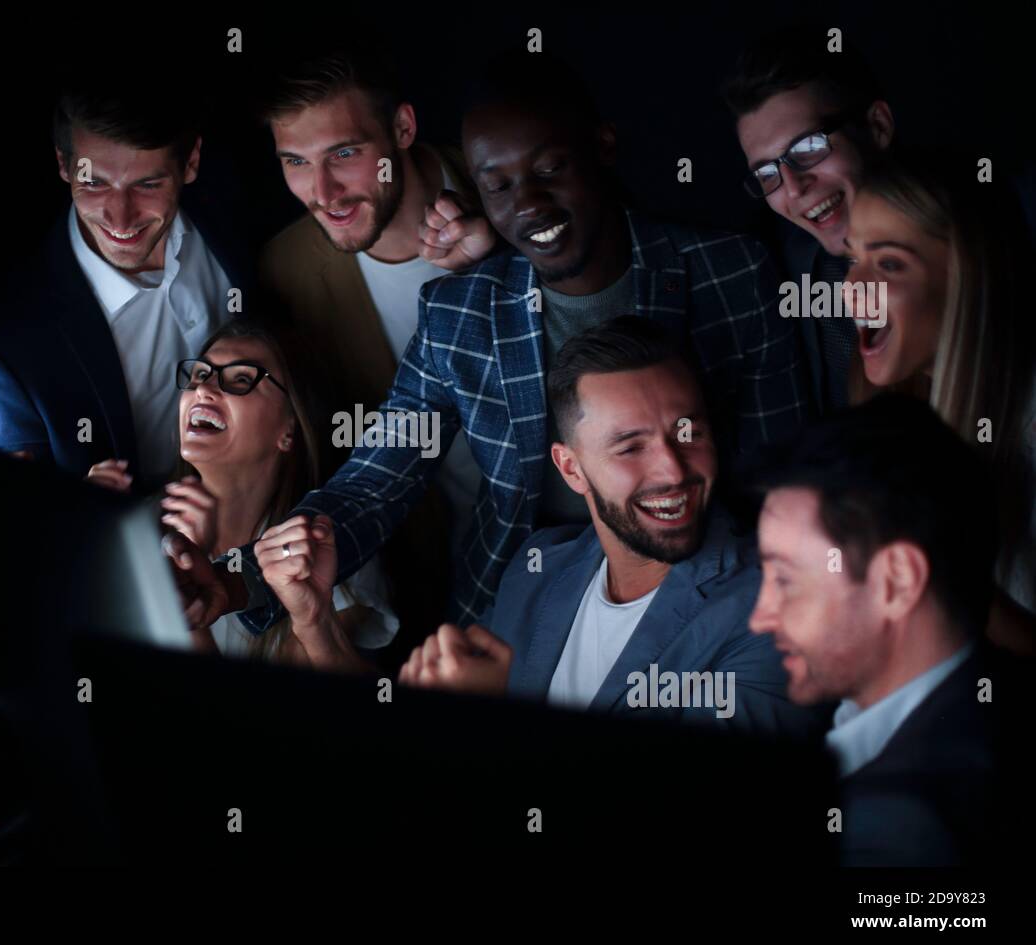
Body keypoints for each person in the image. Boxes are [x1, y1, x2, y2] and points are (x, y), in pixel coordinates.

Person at [193, 50, 807, 638]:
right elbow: (377, 479)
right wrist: (237, 582)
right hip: (516, 603)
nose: (530, 204)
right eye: (501, 186)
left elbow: (778, 475)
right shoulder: (460, 312)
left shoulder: (728, 272)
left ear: (602, 147)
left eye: (549, 170)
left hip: (705, 597)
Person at [390, 319, 822, 739]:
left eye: (688, 433)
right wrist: (321, 628)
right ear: (571, 469)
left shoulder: (776, 611)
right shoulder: (537, 568)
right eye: (631, 447)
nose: (672, 469)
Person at [257, 45, 495, 650]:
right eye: (295, 161)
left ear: (403, 128)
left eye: (344, 153)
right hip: (420, 582)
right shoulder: (286, 269)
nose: (324, 191)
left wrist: (504, 260)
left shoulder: (505, 187)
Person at [748, 394, 1032, 865]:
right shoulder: (1011, 690)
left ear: (897, 581)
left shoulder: (900, 831)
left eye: (785, 580)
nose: (760, 616)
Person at [0, 88, 249, 490]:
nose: (121, 217)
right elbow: (20, 506)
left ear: (191, 162)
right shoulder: (8, 335)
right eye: (94, 183)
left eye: (148, 185)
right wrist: (82, 509)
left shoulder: (238, 201)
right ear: (63, 164)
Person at [91, 320, 395, 669]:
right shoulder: (130, 528)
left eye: (241, 379)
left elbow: (253, 720)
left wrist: (185, 588)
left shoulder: (324, 544)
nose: (204, 390)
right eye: (199, 375)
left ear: (289, 428)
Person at [843, 152, 1036, 645]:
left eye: (888, 263)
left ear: (967, 278)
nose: (851, 287)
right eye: (852, 258)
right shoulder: (897, 417)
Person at [724, 24, 894, 416]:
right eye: (767, 173)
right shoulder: (781, 272)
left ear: (878, 127)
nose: (794, 188)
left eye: (808, 146)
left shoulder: (989, 246)